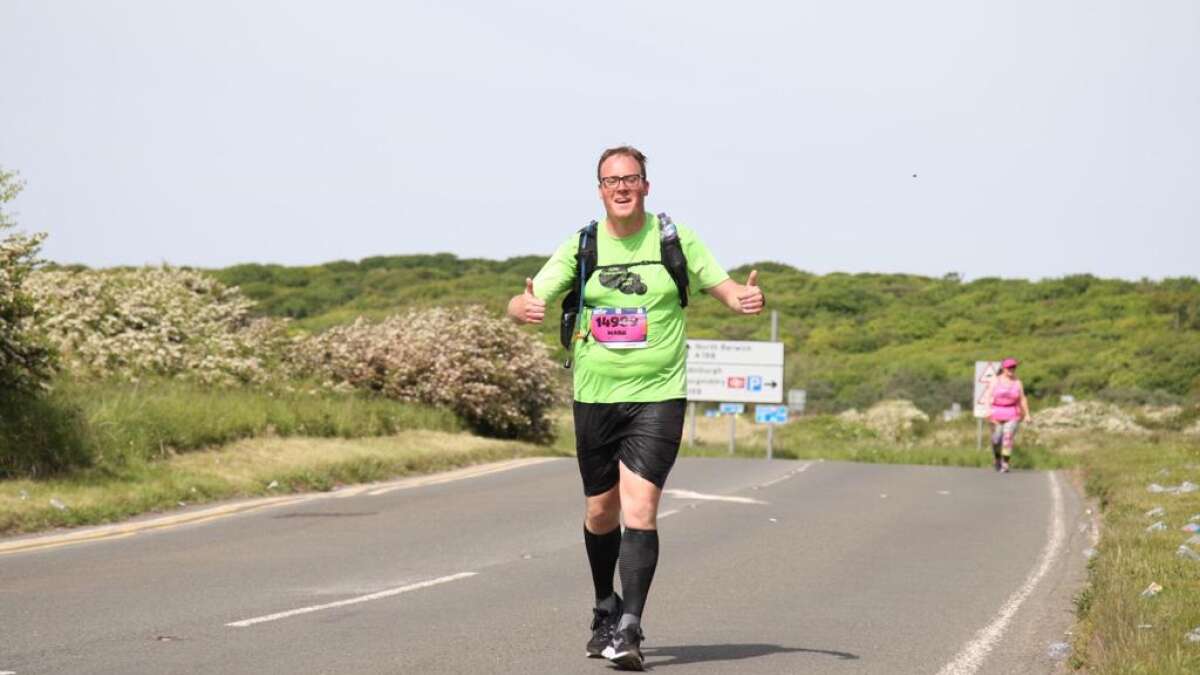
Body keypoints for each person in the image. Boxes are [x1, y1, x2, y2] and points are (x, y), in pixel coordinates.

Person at [507, 146, 764, 670]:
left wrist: (743, 298)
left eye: (630, 178)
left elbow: (725, 288)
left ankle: (630, 627)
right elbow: (523, 299)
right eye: (611, 180)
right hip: (596, 395)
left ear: (646, 185)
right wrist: (523, 307)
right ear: (600, 189)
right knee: (601, 512)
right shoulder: (583, 244)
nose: (621, 187)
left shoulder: (674, 239)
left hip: (659, 393)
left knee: (640, 507)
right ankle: (606, 606)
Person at [986, 357, 1031, 473]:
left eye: (1013, 367)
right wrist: (988, 411)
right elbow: (988, 396)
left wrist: (1027, 414)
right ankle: (997, 459)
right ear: (1003, 368)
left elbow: (1022, 399)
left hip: (1012, 413)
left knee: (1007, 438)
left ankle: (1005, 463)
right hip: (996, 412)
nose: (1012, 369)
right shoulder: (995, 380)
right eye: (1009, 367)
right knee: (996, 439)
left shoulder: (1018, 382)